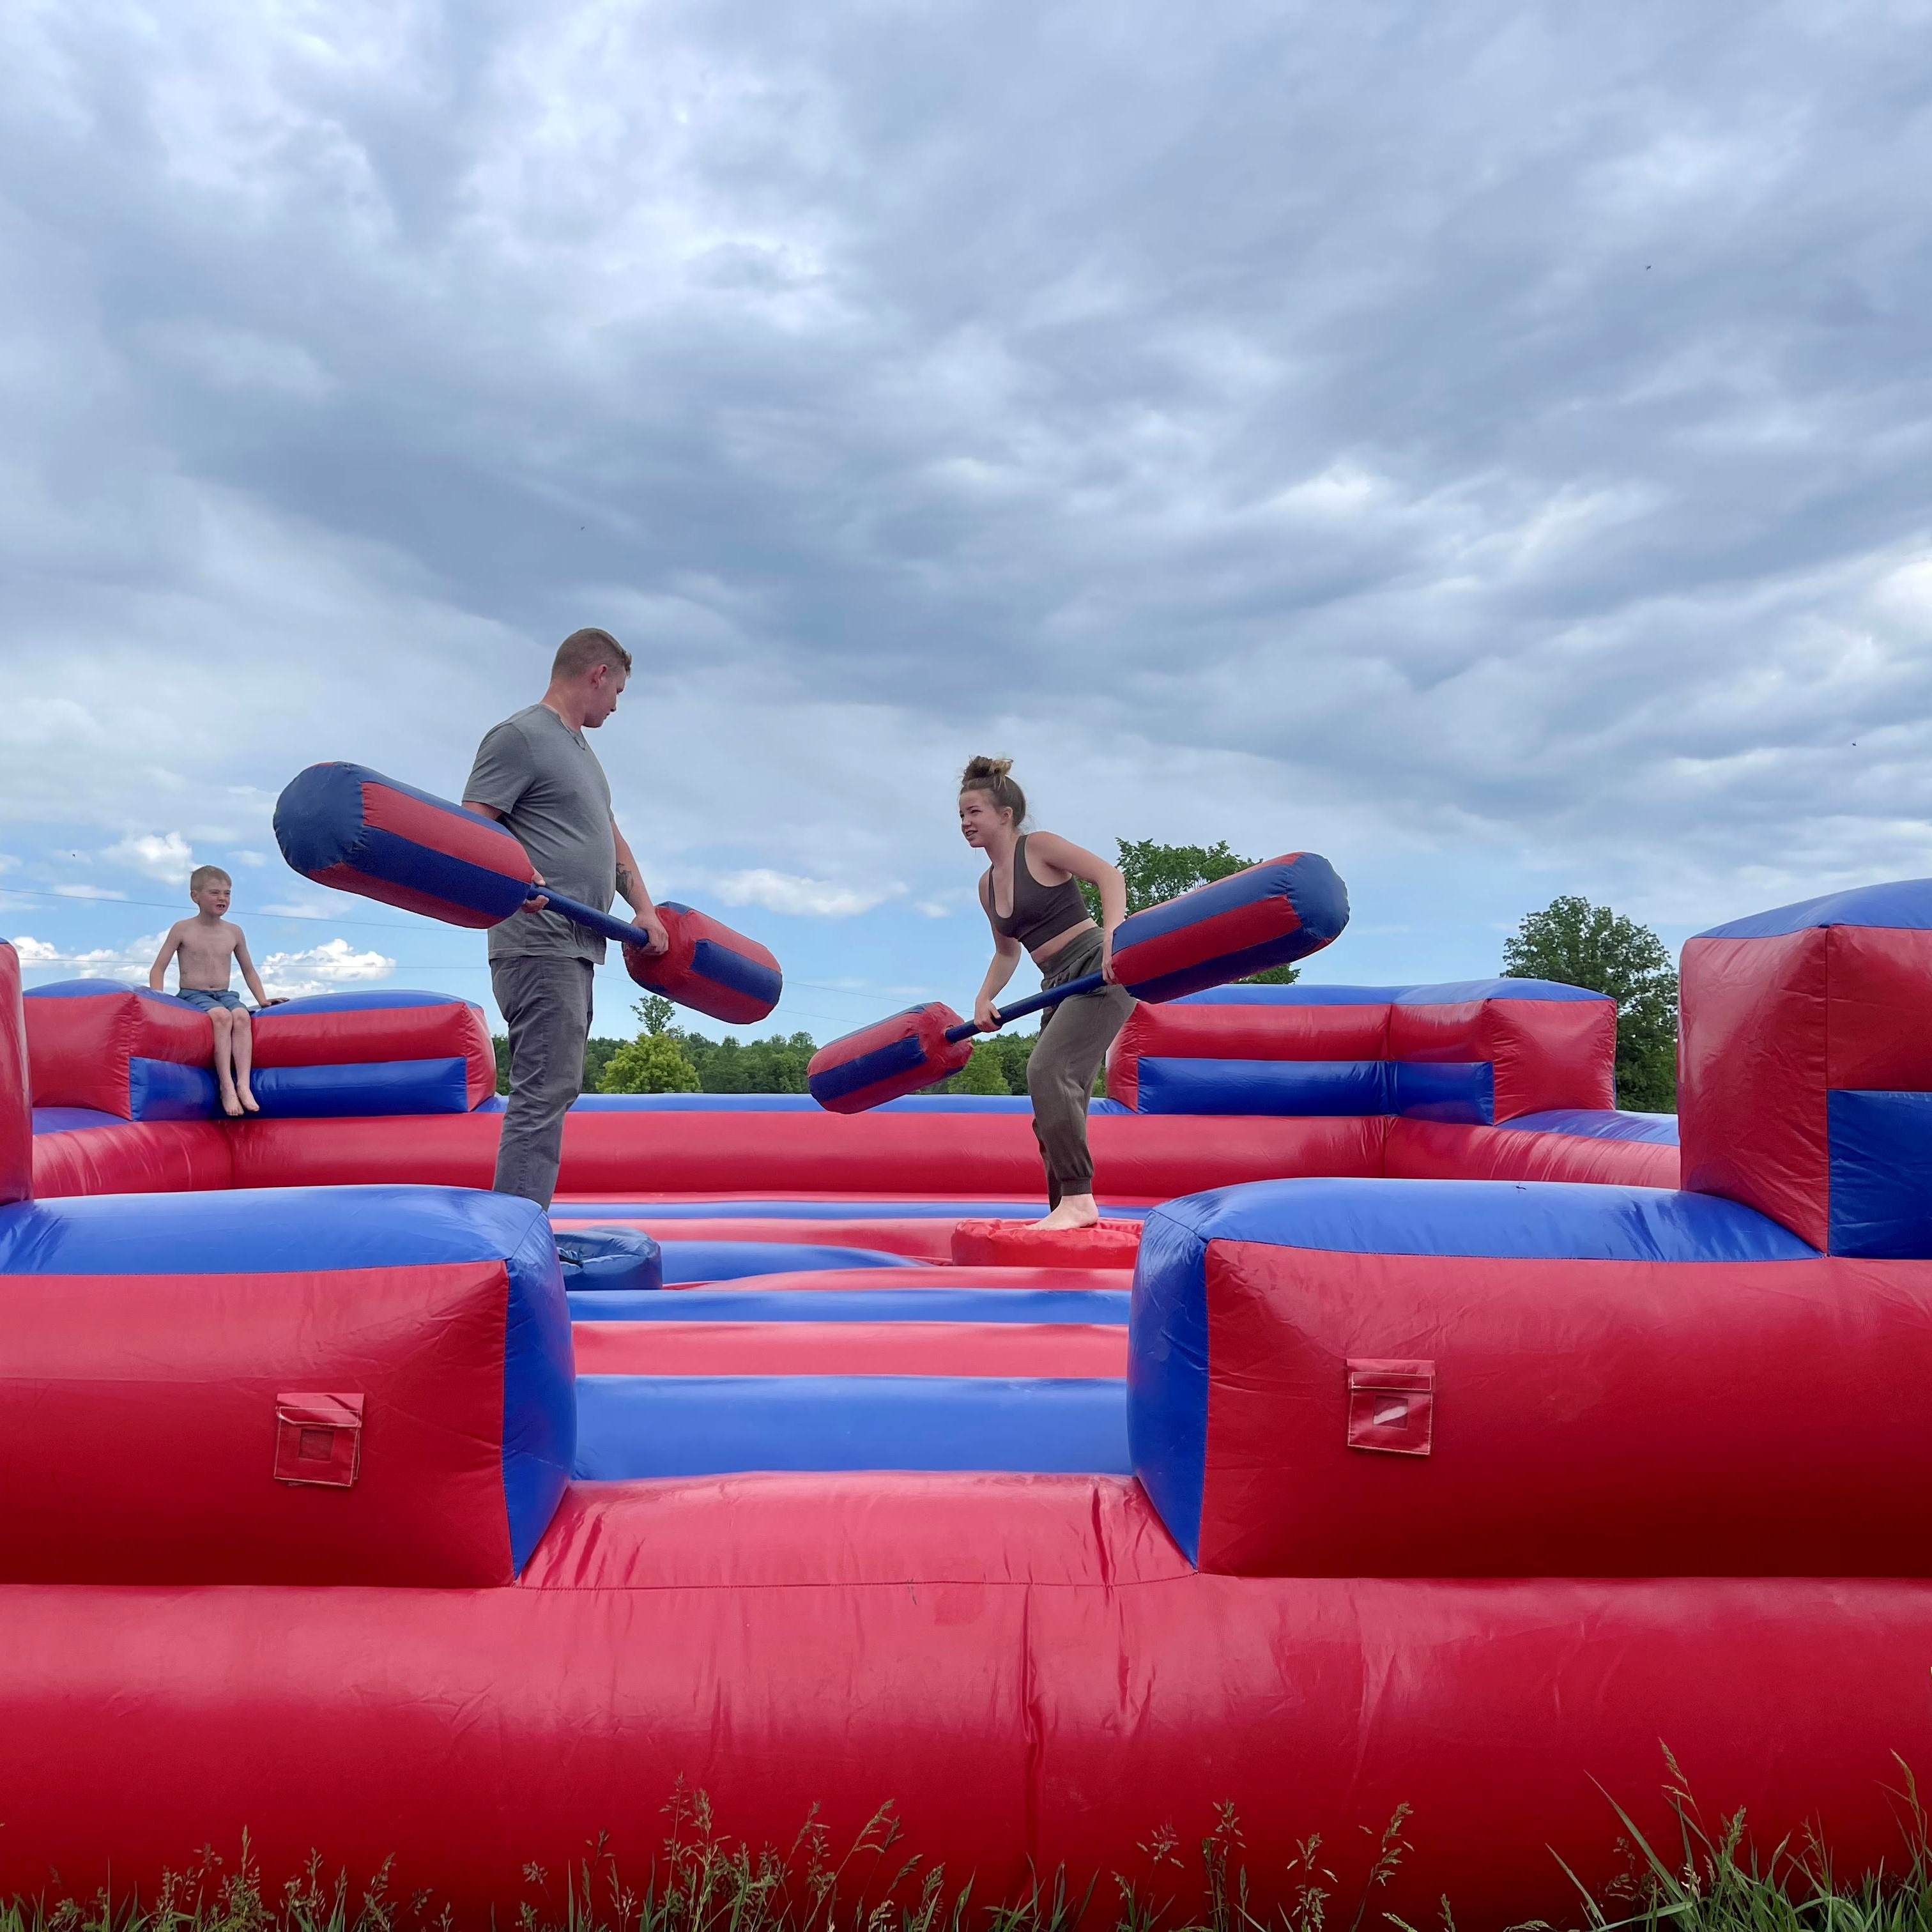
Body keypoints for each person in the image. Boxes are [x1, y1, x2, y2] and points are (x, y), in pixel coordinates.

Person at [464, 627, 669, 1207]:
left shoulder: (582, 752)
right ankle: (518, 1237)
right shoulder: (520, 736)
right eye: (618, 692)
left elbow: (609, 838)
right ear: (597, 675)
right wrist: (513, 870)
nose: (616, 706)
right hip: (536, 939)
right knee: (543, 1090)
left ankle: (523, 1225)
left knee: (556, 1087)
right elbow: (472, 824)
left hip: (579, 944)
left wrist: (645, 908)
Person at [960, 755, 1132, 1231]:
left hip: (1097, 970)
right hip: (1055, 985)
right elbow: (1007, 954)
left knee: (1048, 1069)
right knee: (1051, 1105)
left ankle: (1080, 1199)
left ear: (1004, 815)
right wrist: (982, 999)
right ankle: (1064, 1212)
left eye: (974, 812)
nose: (965, 823)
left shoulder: (1040, 847)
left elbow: (1109, 876)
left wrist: (1115, 935)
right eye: (961, 816)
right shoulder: (986, 886)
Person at [148, 864, 286, 1117]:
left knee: (242, 1017)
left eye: (227, 893)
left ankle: (243, 1084)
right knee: (222, 1017)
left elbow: (248, 970)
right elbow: (158, 968)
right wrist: (158, 1000)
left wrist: (262, 1000)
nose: (222, 898)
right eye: (215, 893)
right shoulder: (183, 928)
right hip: (193, 994)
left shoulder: (233, 931)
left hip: (225, 993)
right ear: (195, 896)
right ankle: (226, 1085)